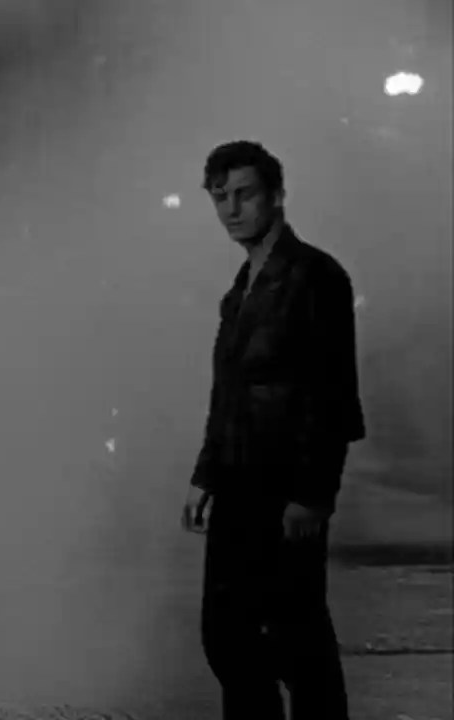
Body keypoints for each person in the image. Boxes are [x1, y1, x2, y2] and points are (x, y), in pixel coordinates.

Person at [180, 140, 366, 719]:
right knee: (227, 635)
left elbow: (331, 392)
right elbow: (229, 392)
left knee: (297, 636)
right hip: (238, 484)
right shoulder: (241, 290)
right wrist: (205, 474)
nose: (232, 210)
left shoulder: (315, 276)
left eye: (244, 194)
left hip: (285, 490)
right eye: (220, 198)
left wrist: (313, 494)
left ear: (276, 195)